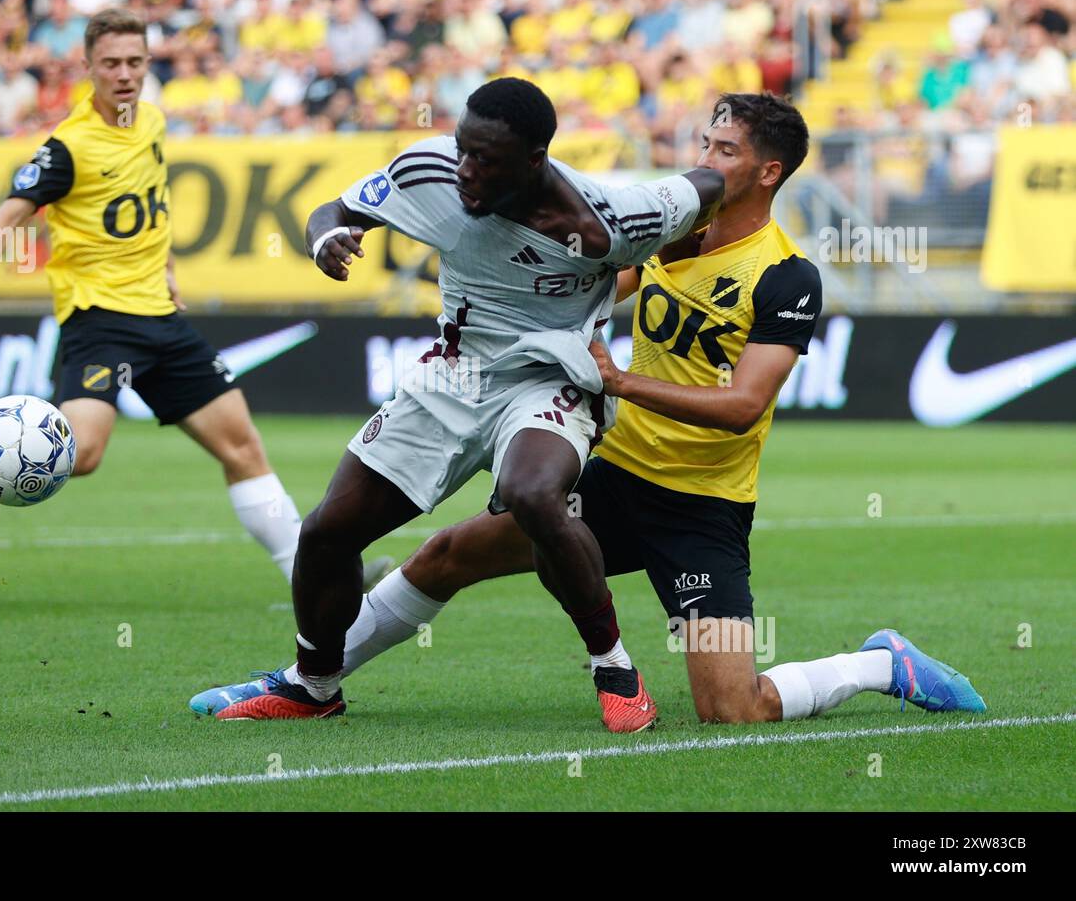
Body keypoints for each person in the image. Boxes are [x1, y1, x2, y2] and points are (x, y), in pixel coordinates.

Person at [204, 92, 985, 726]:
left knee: (732, 709)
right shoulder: (664, 242)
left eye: (725, 152)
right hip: (610, 479)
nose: (705, 161)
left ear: (768, 172)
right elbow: (587, 284)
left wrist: (618, 380)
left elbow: (743, 406)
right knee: (448, 554)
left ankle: (883, 663)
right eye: (705, 144)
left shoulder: (787, 276)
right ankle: (309, 682)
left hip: (701, 508)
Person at [193, 77, 725, 729]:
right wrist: (325, 239)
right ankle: (314, 685)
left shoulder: (613, 217)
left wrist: (714, 208)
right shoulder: (429, 169)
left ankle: (612, 665)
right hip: (452, 375)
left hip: (549, 377)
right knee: (327, 532)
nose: (465, 172)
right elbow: (333, 211)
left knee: (531, 493)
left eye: (485, 160)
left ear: (535, 161)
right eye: (463, 149)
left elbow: (708, 186)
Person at [0, 9, 375, 590]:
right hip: (100, 322)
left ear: (147, 64)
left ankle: (316, 579)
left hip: (162, 321)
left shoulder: (153, 123)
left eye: (135, 62)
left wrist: (165, 267)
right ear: (88, 66)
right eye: (111, 63)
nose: (124, 74)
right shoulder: (69, 146)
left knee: (242, 445)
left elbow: (149, 204)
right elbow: (16, 206)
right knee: (77, 457)